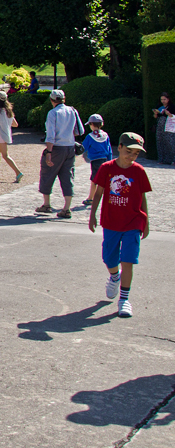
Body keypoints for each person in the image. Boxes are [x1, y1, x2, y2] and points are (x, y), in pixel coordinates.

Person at [88, 132, 151, 318]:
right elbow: (98, 193)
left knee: (128, 260)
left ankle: (124, 300)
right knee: (109, 258)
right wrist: (92, 215)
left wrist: (146, 220)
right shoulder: (106, 168)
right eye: (129, 151)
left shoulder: (139, 171)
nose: (131, 156)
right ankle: (114, 276)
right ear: (120, 147)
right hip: (111, 221)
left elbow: (143, 197)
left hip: (133, 221)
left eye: (136, 154)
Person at [36, 89, 83, 219]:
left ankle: (46, 204)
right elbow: (79, 131)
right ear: (64, 99)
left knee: (47, 173)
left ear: (51, 100)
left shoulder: (53, 113)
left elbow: (50, 134)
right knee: (67, 176)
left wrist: (49, 151)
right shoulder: (72, 111)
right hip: (70, 147)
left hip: (57, 147)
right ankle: (67, 208)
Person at [80, 114, 113, 205]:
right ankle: (107, 197)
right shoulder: (105, 135)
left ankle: (91, 198)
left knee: (94, 180)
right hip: (105, 160)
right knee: (105, 180)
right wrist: (110, 162)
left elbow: (83, 148)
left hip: (95, 161)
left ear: (92, 124)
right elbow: (109, 150)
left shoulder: (90, 136)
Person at [152, 92, 175, 165]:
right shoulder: (159, 106)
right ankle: (162, 159)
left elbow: (173, 117)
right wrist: (155, 113)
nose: (163, 101)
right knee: (160, 142)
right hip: (160, 127)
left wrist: (169, 114)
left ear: (168, 99)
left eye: (164, 99)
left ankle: (173, 160)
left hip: (169, 127)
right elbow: (156, 117)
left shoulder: (172, 107)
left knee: (170, 143)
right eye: (162, 99)